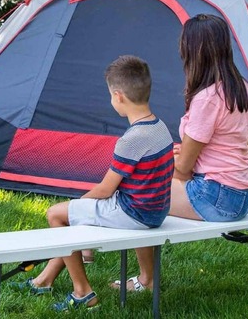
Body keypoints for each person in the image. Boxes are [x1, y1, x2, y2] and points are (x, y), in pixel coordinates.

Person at [14, 55, 174, 311]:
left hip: (133, 212)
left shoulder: (132, 139)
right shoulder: (161, 127)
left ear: (119, 96)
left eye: (111, 96)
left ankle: (83, 293)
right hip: (155, 210)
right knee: (73, 218)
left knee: (56, 215)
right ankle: (44, 280)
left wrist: (77, 206)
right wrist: (81, 212)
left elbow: (105, 189)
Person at [111, 13, 248, 293]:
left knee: (137, 192)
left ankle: (146, 279)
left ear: (192, 51)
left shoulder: (207, 98)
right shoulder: (243, 90)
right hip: (242, 195)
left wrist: (177, 161)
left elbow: (184, 168)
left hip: (215, 197)